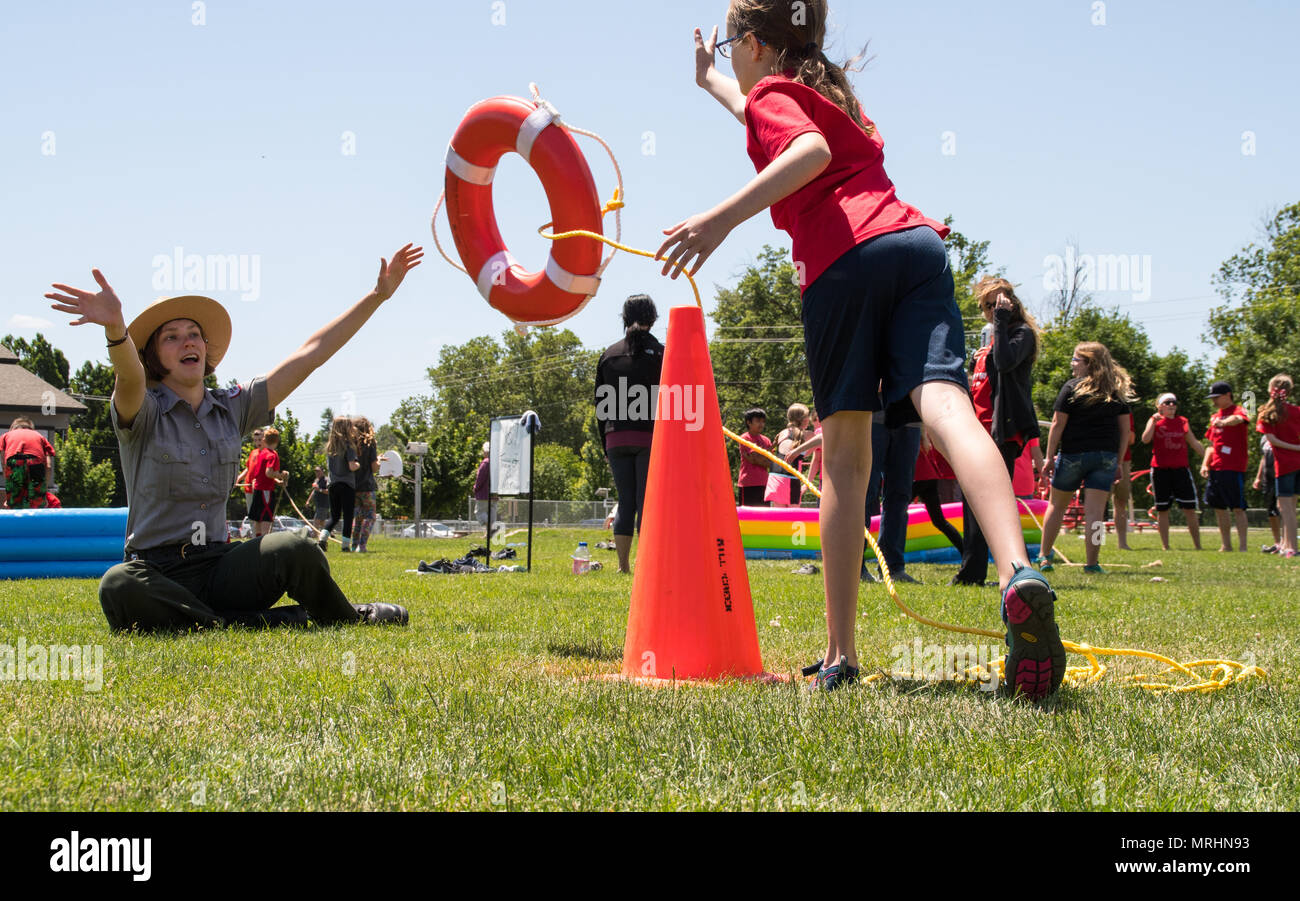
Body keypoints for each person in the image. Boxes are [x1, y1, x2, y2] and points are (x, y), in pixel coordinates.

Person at [661, 3, 1064, 698]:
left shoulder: (773, 97)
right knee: (949, 410)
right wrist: (711, 84)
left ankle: (841, 653)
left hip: (843, 258)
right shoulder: (826, 90)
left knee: (846, 459)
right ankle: (1016, 573)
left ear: (755, 45)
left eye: (731, 43)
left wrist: (719, 219)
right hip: (917, 245)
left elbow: (804, 152)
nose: (728, 57)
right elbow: (771, 117)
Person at [46, 242, 422, 631]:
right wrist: (115, 330)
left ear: (206, 349)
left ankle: (342, 617)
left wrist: (376, 296)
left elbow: (311, 354)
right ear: (155, 356)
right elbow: (129, 376)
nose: (188, 341)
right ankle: (260, 622)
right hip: (157, 570)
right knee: (117, 584)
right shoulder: (144, 410)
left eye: (194, 334)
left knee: (293, 547)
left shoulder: (233, 406)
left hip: (221, 567)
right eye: (171, 337)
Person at [952, 278, 1043, 587]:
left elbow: (1005, 363)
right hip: (976, 430)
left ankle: (1010, 568)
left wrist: (1002, 323)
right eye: (987, 306)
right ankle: (972, 570)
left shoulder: (1021, 333)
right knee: (971, 499)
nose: (991, 311)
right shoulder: (991, 344)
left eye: (996, 304)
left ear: (1010, 303)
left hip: (1001, 431)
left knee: (991, 500)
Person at [1037, 342, 1133, 574]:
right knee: (1096, 514)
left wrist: (1049, 457)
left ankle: (1044, 557)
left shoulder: (1071, 387)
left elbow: (1058, 425)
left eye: (1075, 360)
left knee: (1056, 506)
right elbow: (1125, 432)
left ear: (1088, 363)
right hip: (1105, 457)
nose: (1072, 364)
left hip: (1073, 455)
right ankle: (1092, 563)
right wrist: (1118, 462)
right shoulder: (1116, 391)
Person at [595, 295, 663, 573]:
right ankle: (646, 565)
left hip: (616, 438)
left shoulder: (608, 355)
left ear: (623, 318)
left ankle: (623, 566)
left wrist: (606, 444)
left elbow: (600, 405)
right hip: (649, 438)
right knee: (646, 502)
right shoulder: (662, 354)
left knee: (625, 501)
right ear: (654, 318)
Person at [1141, 392, 1205, 551]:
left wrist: (1208, 460)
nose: (1171, 405)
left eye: (1174, 402)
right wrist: (1153, 422)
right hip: (1160, 470)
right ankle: (1165, 546)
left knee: (1189, 508)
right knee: (1163, 509)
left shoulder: (1182, 422)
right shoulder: (1155, 421)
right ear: (1160, 406)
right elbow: (1145, 439)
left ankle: (1198, 546)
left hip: (1181, 469)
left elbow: (1194, 442)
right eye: (1167, 402)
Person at [1200, 381, 1251, 552]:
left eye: (1216, 397)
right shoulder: (1214, 417)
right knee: (1219, 507)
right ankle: (1226, 545)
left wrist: (1225, 422)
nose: (1213, 401)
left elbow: (1238, 419)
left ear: (1227, 395)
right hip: (1216, 467)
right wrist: (1205, 464)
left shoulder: (1239, 411)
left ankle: (1243, 546)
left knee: (1237, 507)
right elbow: (1211, 445)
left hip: (1233, 466)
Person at [1257, 374, 1300, 558]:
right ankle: (1284, 544)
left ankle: (1293, 548)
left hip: (1284, 465)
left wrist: (1294, 448)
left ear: (1270, 390)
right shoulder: (1296, 411)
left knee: (1286, 508)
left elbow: (1272, 440)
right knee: (1291, 505)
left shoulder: (1267, 413)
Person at [912, 428, 963, 555]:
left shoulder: (911, 431)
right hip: (929, 476)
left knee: (895, 514)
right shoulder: (921, 431)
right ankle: (965, 551)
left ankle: (888, 557)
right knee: (939, 521)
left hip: (918, 476)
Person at [320, 416, 360, 553]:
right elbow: (352, 466)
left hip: (333, 484)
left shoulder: (331, 447)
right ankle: (345, 545)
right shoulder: (348, 446)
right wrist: (359, 464)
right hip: (347, 485)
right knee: (348, 516)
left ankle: (322, 539)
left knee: (334, 516)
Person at [2, 417, 56, 509]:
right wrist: (42, 492)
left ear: (13, 428)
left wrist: (10, 494)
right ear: (31, 428)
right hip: (36, 462)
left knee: (14, 505)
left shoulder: (6, 435)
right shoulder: (40, 437)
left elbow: (4, 464)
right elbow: (49, 466)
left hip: (14, 461)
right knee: (38, 505)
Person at [766, 403, 809, 507]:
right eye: (807, 416)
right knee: (793, 518)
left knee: (779, 518)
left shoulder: (782, 433)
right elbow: (808, 454)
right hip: (791, 479)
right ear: (803, 419)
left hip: (775, 478)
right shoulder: (807, 435)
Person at [247, 426, 286, 538]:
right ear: (276, 441)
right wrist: (281, 475)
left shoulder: (262, 453)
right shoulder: (272, 455)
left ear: (264, 440)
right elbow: (268, 473)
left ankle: (257, 541)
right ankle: (264, 541)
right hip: (266, 491)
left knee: (257, 519)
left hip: (258, 489)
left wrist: (277, 481)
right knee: (265, 517)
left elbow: (262, 474)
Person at [351, 416, 380, 553]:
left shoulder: (351, 442)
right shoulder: (370, 442)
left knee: (357, 518)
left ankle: (353, 545)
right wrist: (379, 460)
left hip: (352, 486)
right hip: (367, 487)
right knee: (370, 517)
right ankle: (362, 546)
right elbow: (374, 468)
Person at [1111, 413, 1137, 550]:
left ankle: (1122, 543)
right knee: (1097, 505)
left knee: (1121, 501)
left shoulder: (1124, 409)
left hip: (1124, 460)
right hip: (1102, 457)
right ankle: (1095, 543)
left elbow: (1131, 439)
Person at [736, 408, 771, 506]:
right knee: (746, 516)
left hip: (764, 483)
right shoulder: (745, 438)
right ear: (749, 422)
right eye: (758, 421)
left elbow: (771, 462)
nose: (761, 424)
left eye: (763, 421)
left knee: (764, 516)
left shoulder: (766, 440)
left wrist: (758, 457)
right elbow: (753, 459)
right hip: (748, 483)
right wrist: (763, 457)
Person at [1254, 438, 1283, 553]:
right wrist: (1258, 477)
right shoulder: (1264, 439)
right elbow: (1264, 458)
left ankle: (1286, 542)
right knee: (1271, 511)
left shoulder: (1282, 431)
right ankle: (1277, 543)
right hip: (1268, 479)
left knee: (1283, 509)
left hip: (1282, 475)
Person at [234, 428, 264, 516]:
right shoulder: (253, 453)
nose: (258, 442)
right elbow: (248, 469)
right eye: (255, 440)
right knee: (252, 516)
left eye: (259, 439)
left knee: (260, 516)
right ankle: (254, 530)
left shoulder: (267, 454)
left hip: (260, 489)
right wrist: (238, 479)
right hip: (249, 489)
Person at [473, 441, 491, 525]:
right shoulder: (496, 462)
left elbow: (480, 478)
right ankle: (490, 532)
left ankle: (492, 529)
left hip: (483, 494)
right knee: (490, 514)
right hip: (494, 494)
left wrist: (475, 488)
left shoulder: (486, 462)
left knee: (479, 512)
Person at [309, 465, 330, 533]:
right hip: (318, 505)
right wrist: (308, 501)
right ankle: (329, 533)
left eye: (318, 471)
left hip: (324, 504)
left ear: (323, 471)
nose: (316, 473)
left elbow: (329, 492)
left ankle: (314, 535)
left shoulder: (326, 480)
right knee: (322, 522)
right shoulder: (316, 480)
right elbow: (314, 491)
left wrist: (319, 489)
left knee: (316, 521)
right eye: (316, 471)